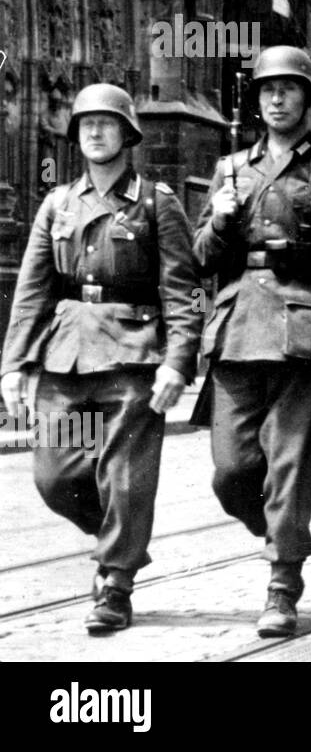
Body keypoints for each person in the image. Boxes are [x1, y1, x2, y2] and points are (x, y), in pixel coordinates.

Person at [0, 84, 201, 634]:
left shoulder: (157, 202)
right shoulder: (56, 203)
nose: (93, 131)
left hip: (133, 357)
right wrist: (13, 364)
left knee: (127, 477)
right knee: (53, 476)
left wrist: (177, 364)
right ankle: (118, 537)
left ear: (127, 134)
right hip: (65, 355)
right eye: (85, 124)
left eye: (105, 123)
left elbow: (181, 291)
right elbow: (32, 290)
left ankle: (115, 580)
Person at [192, 46, 311, 638]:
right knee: (232, 470)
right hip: (238, 328)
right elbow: (199, 259)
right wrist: (219, 221)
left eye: (289, 89)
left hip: (301, 334)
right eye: (267, 89)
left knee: (291, 464)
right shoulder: (230, 168)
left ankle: (282, 582)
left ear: (310, 100)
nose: (275, 98)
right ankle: (280, 531)